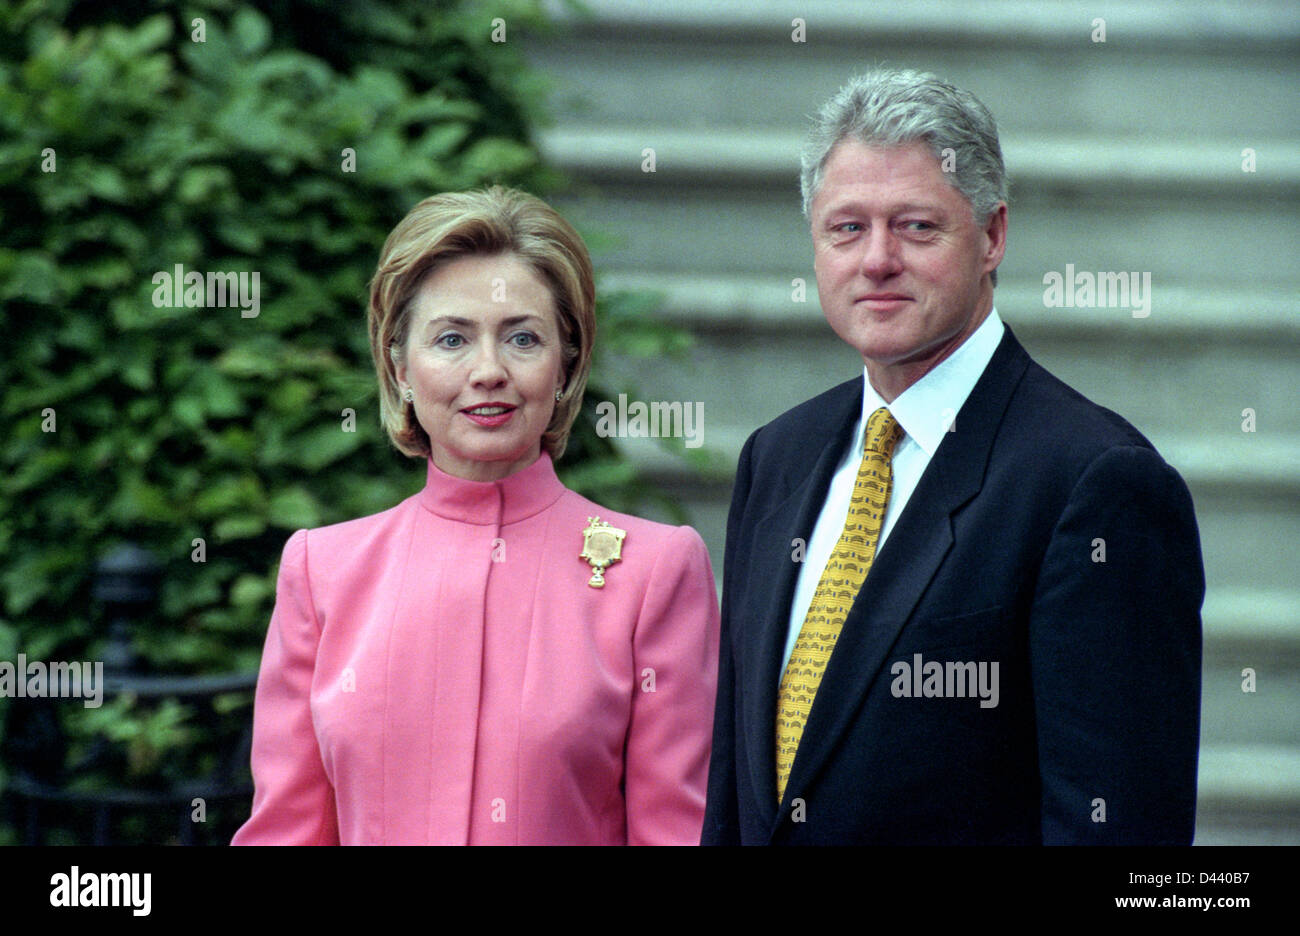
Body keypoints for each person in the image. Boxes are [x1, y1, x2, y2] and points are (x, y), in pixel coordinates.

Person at [702, 69, 1203, 845]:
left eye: (916, 226)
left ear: (993, 235)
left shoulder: (1097, 482)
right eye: (846, 228)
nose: (876, 260)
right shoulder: (776, 458)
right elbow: (737, 805)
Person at [233, 186, 719, 845]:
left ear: (566, 363)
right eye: (452, 339)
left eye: (522, 338)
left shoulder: (653, 570)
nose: (488, 370)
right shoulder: (322, 570)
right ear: (399, 366)